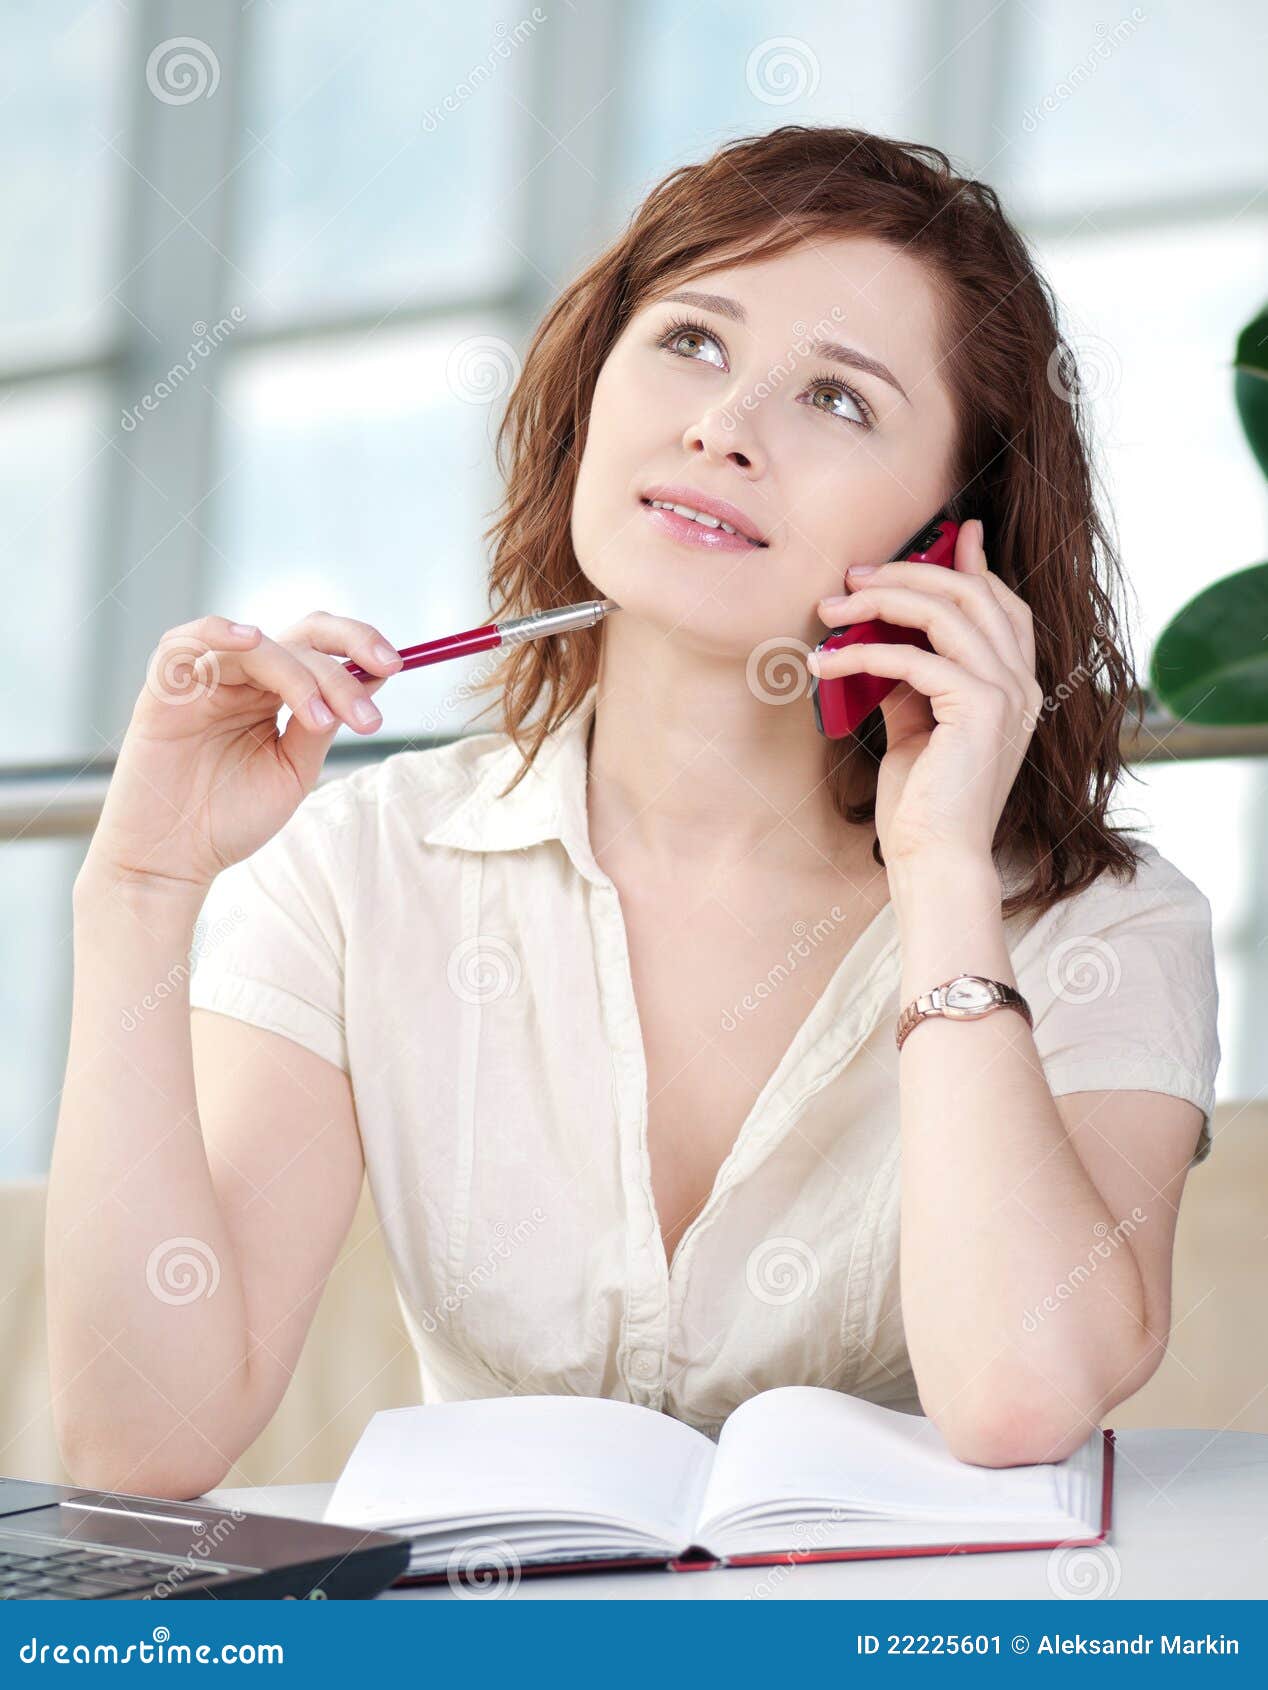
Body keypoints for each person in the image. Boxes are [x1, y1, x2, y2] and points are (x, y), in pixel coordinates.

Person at [47, 126, 1219, 1500]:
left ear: (949, 536)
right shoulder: (364, 869)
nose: (723, 425)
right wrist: (137, 894)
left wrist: (947, 871)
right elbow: (144, 1440)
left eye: (837, 400)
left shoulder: (1109, 926)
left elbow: (1021, 1395)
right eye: (692, 343)